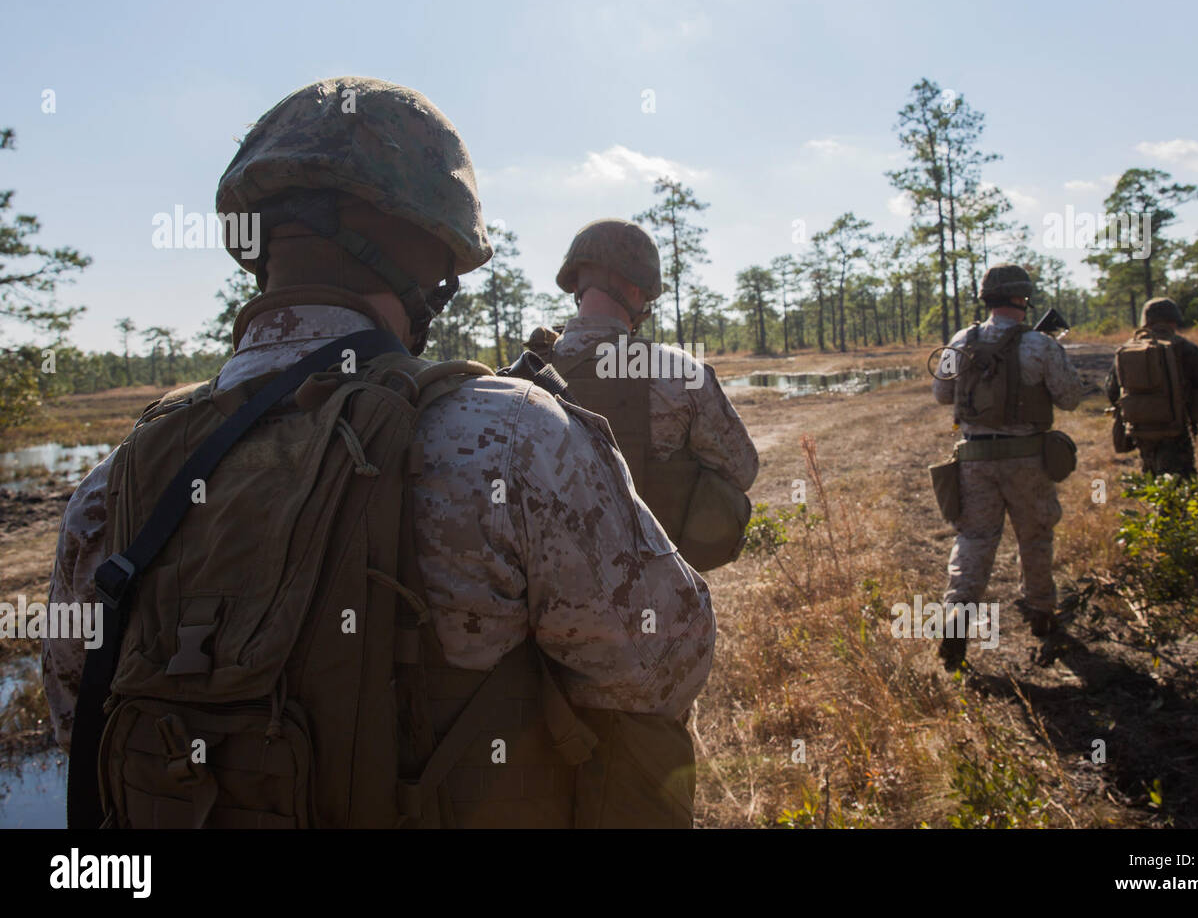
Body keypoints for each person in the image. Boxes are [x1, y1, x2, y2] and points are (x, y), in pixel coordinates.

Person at [41, 77, 714, 829]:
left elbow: (78, 723)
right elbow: (666, 664)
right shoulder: (511, 438)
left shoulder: (113, 486)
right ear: (429, 254)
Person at [544, 219, 759, 572]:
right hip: (656, 593)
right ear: (634, 289)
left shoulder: (526, 374)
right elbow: (743, 470)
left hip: (549, 604)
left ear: (576, 284)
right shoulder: (678, 372)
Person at [931, 264, 1084, 670]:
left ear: (987, 298)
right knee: (1034, 535)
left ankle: (956, 616)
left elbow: (942, 395)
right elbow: (1069, 398)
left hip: (975, 459)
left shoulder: (961, 340)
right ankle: (1040, 613)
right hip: (1027, 458)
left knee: (975, 538)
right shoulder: (1041, 345)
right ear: (1022, 298)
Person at [1105, 297, 1198, 478]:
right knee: (1180, 485)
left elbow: (1112, 392)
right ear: (1173, 320)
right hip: (1176, 432)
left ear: (1146, 321)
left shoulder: (1127, 350)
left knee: (1152, 481)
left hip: (1140, 432)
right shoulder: (1185, 348)